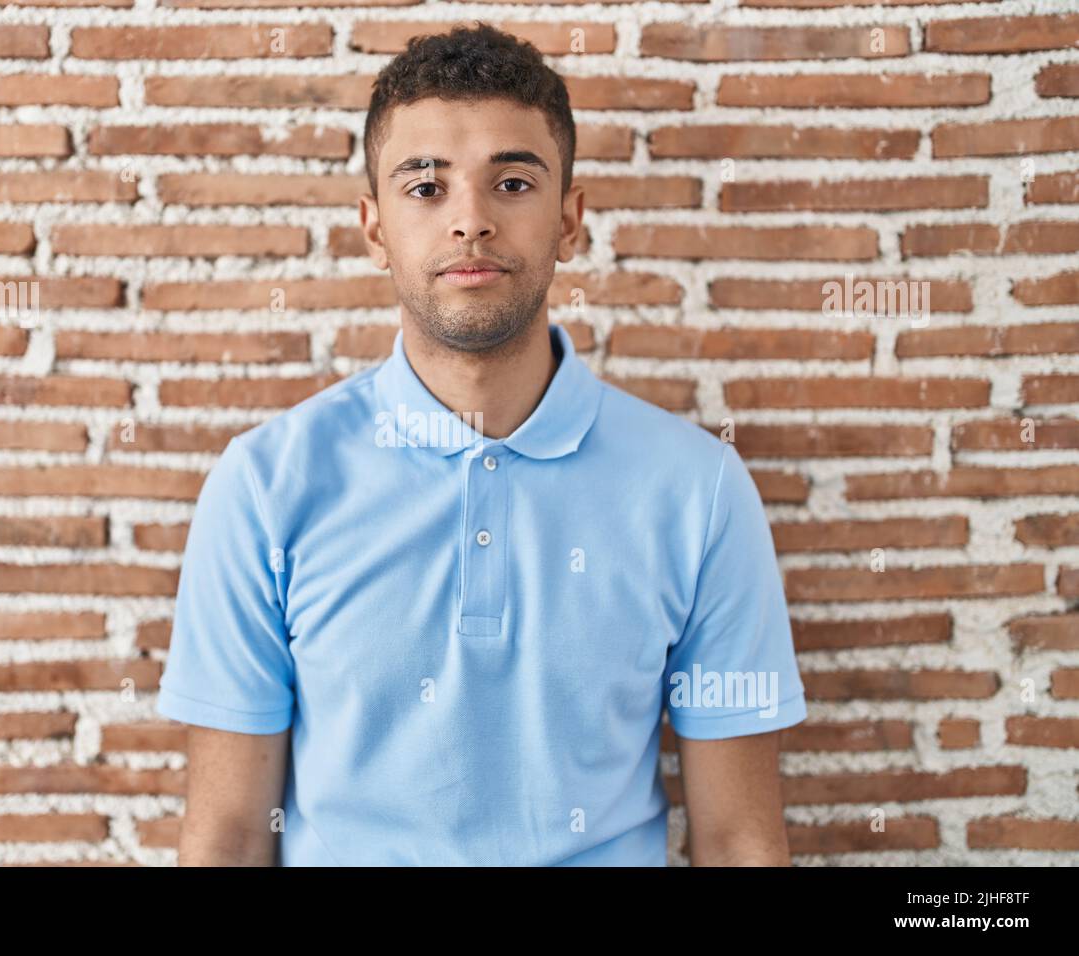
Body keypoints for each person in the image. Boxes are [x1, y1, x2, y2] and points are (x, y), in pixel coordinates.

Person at [156, 21, 807, 866]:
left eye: (511, 182)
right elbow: (230, 836)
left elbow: (739, 839)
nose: (470, 221)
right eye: (426, 188)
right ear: (374, 225)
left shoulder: (699, 488)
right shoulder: (264, 486)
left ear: (570, 219)